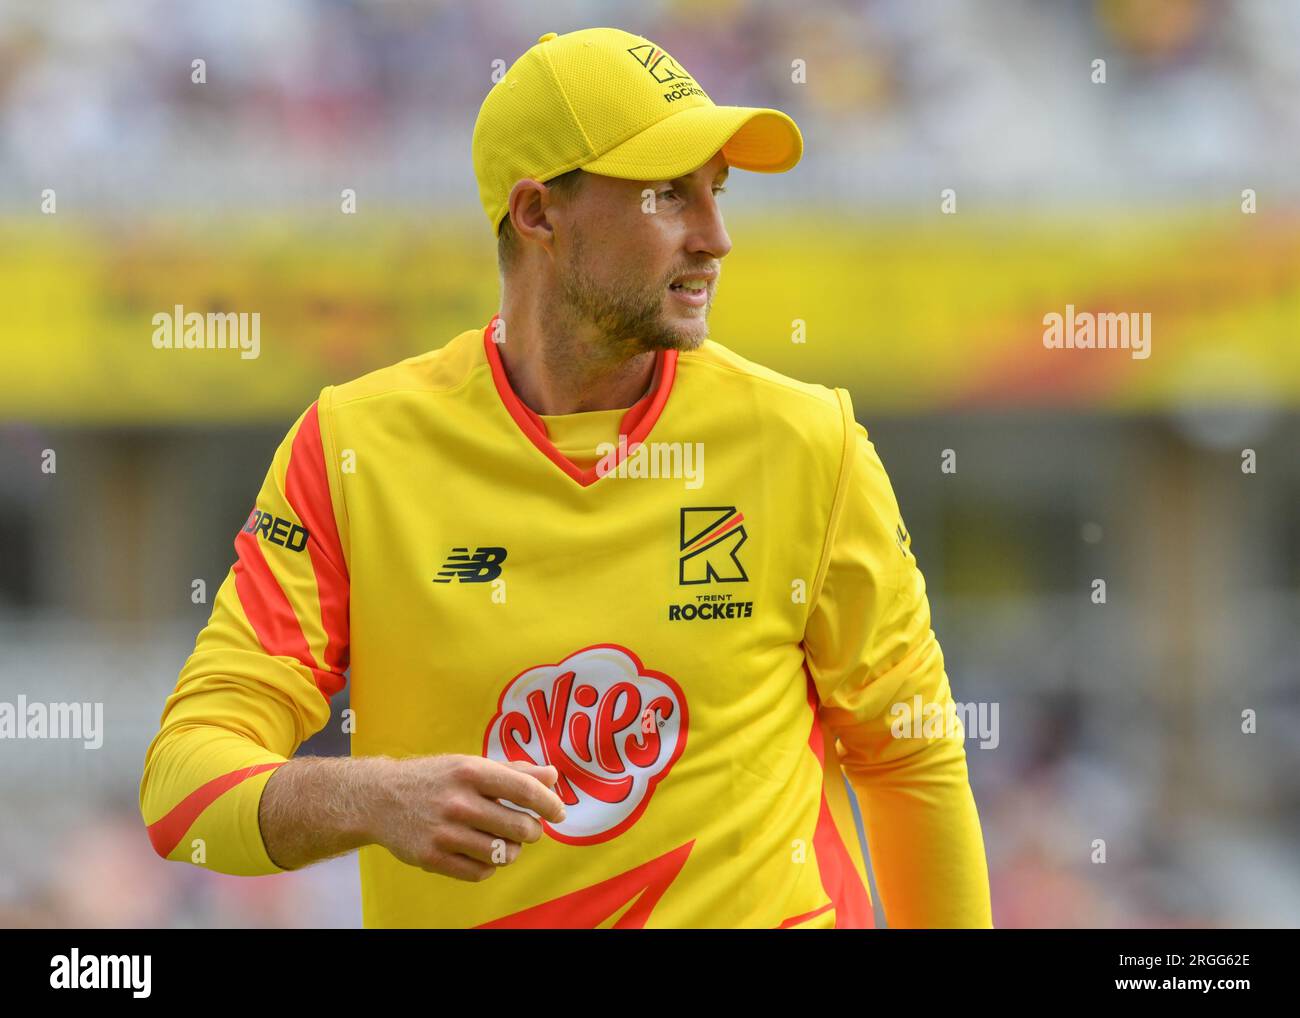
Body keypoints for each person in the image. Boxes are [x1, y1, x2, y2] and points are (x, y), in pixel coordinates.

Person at [140, 26, 993, 929]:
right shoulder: (352, 448)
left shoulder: (807, 438)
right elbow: (181, 792)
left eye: (718, 192)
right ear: (539, 214)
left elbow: (911, 758)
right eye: (670, 196)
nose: (717, 237)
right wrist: (372, 799)